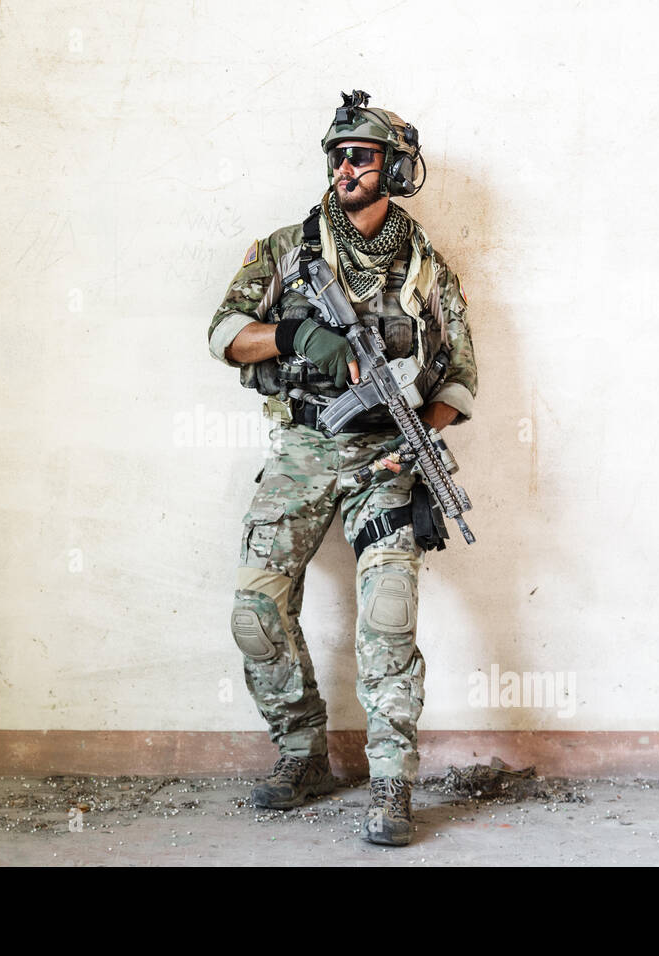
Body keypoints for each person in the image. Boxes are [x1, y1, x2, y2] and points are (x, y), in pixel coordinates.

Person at [206, 91, 478, 847]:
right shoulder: (286, 251)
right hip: (302, 452)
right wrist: (300, 337)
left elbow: (458, 380)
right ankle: (302, 754)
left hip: (383, 459)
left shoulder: (426, 269)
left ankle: (392, 781)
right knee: (253, 615)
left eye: (360, 155)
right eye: (337, 155)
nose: (345, 167)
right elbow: (226, 334)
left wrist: (414, 437)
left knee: (389, 620)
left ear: (393, 166)